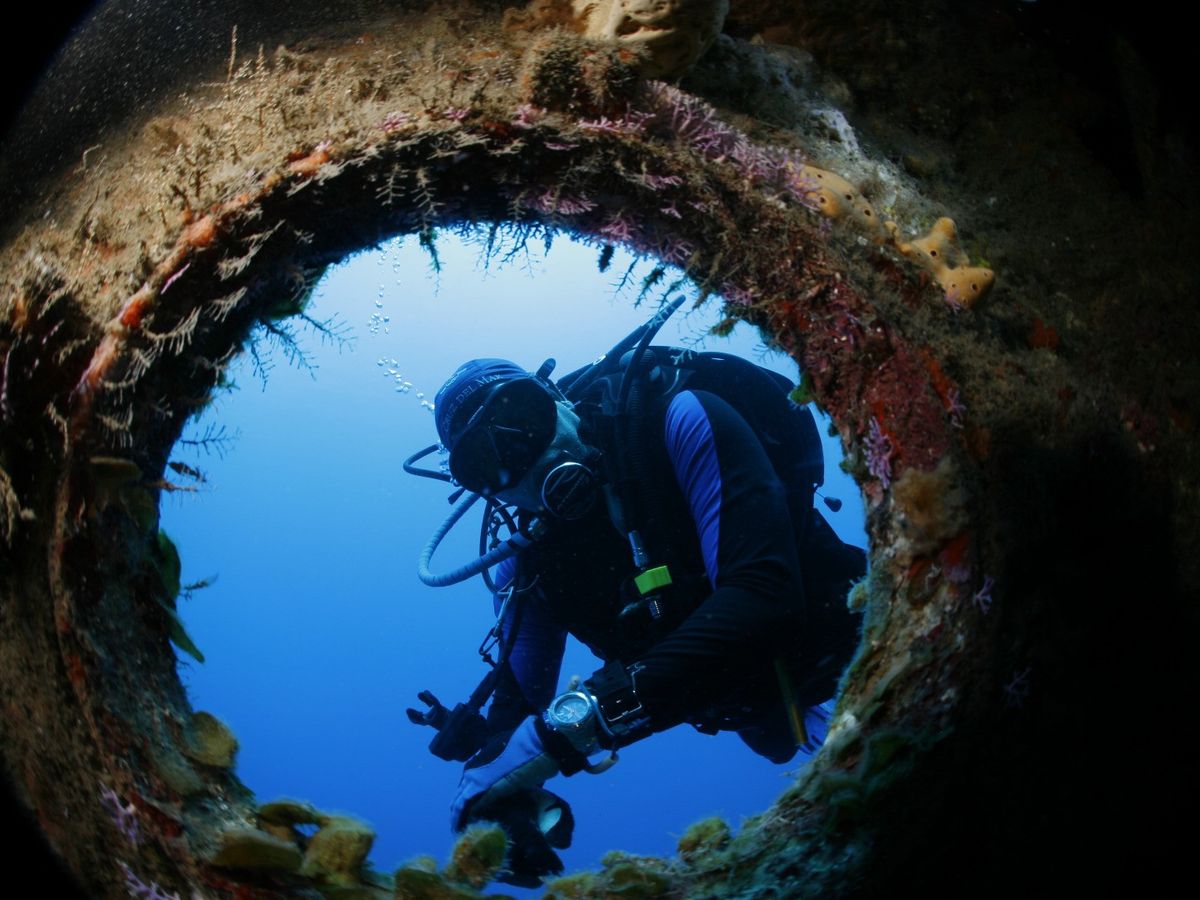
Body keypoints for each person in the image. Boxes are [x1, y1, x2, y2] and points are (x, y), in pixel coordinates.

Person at [405, 308, 865, 886]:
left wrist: (563, 733)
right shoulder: (531, 562)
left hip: (850, 635)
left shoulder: (675, 417)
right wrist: (510, 801)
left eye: (522, 416)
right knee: (778, 739)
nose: (523, 455)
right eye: (487, 462)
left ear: (557, 397)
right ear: (478, 490)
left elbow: (764, 598)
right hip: (752, 706)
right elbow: (515, 727)